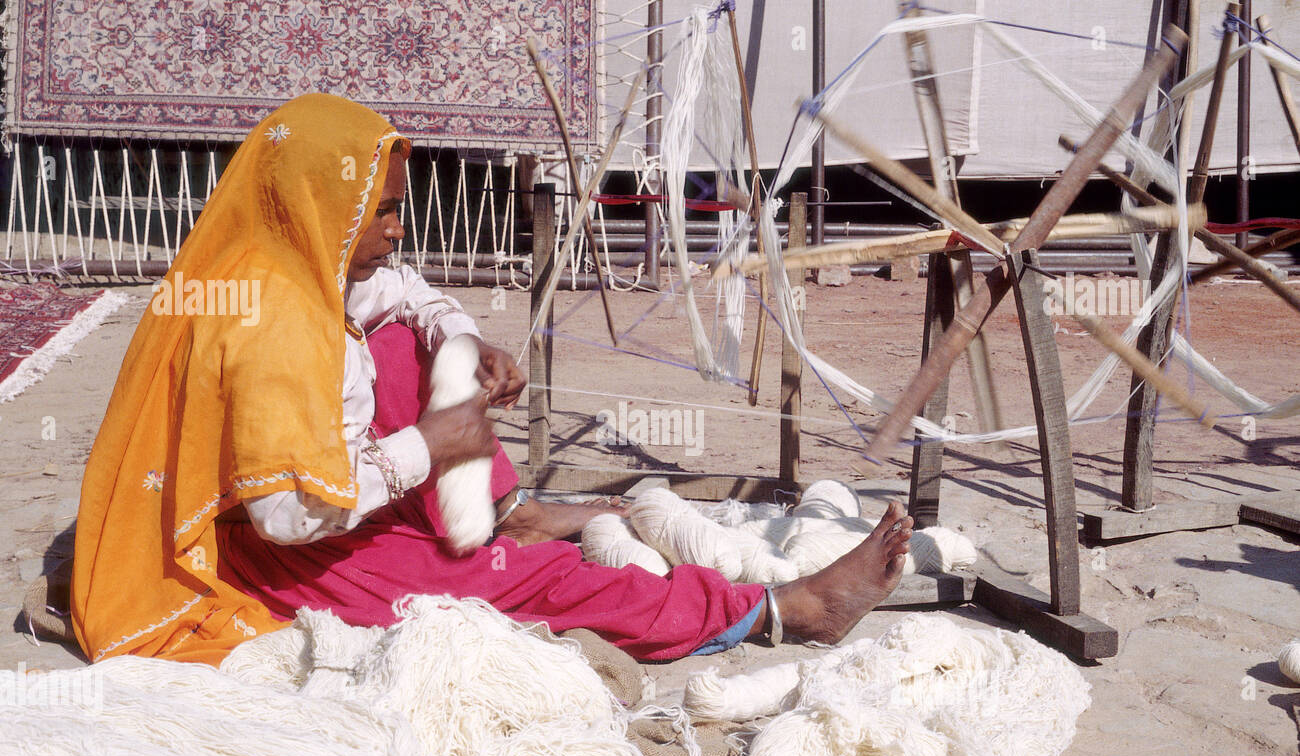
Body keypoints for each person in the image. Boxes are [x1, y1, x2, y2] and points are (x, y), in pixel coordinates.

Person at [72, 93, 913, 668]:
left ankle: (514, 510)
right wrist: (425, 447)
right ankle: (784, 611)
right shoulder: (274, 322)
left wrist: (462, 338)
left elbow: (403, 292)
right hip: (288, 552)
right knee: (515, 584)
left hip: (331, 484)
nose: (400, 232)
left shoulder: (290, 256)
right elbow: (291, 514)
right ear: (323, 210)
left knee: (409, 342)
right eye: (386, 213)